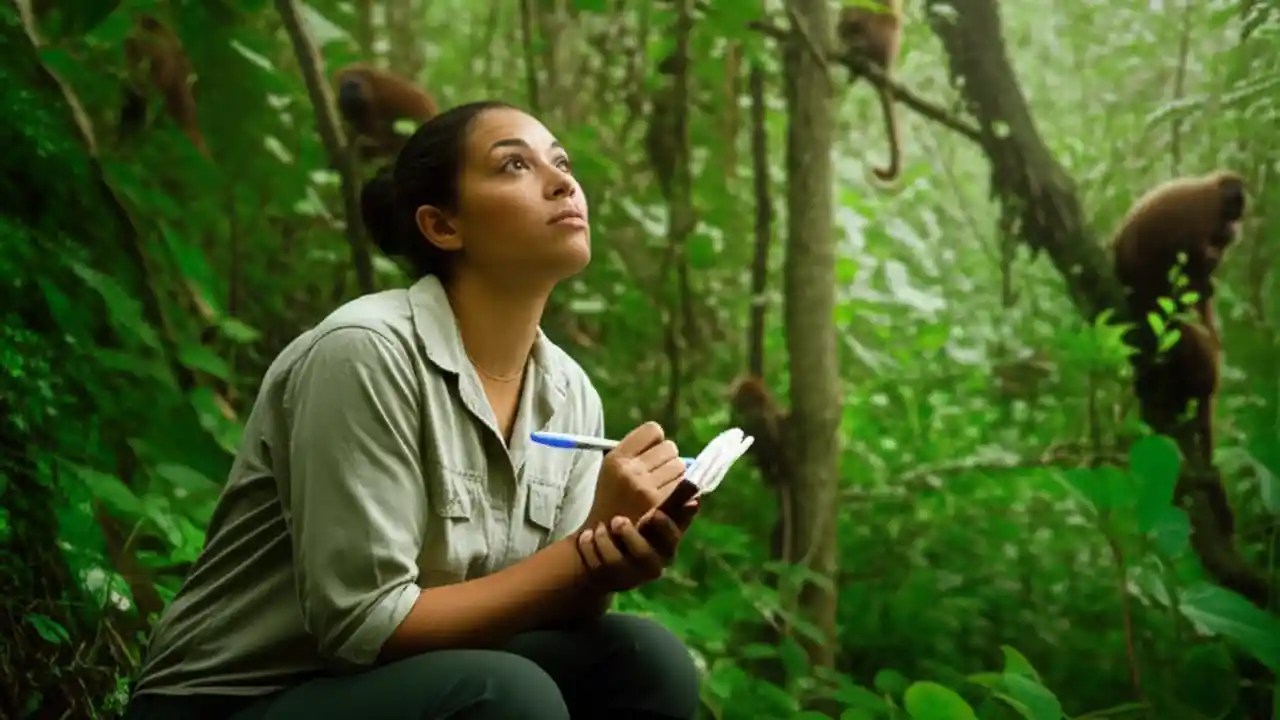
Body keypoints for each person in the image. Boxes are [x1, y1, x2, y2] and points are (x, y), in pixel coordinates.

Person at [123, 100, 702, 720]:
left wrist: (610, 554)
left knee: (647, 659)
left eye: (561, 162)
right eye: (514, 165)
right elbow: (363, 627)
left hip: (423, 681)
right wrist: (579, 557)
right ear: (442, 226)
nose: (563, 181)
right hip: (236, 700)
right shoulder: (365, 354)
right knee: (508, 694)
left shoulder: (569, 391)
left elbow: (551, 607)